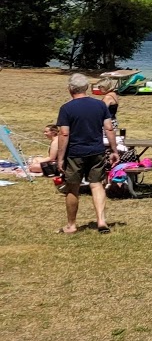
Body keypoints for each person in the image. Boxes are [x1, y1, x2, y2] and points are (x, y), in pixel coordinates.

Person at [51, 73, 116, 234]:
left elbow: (64, 134)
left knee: (73, 187)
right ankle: (101, 221)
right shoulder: (100, 105)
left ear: (70, 89)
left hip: (75, 153)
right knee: (97, 185)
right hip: (97, 151)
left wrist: (60, 158)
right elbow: (109, 128)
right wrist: (114, 150)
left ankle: (71, 225)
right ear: (87, 87)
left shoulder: (66, 108)